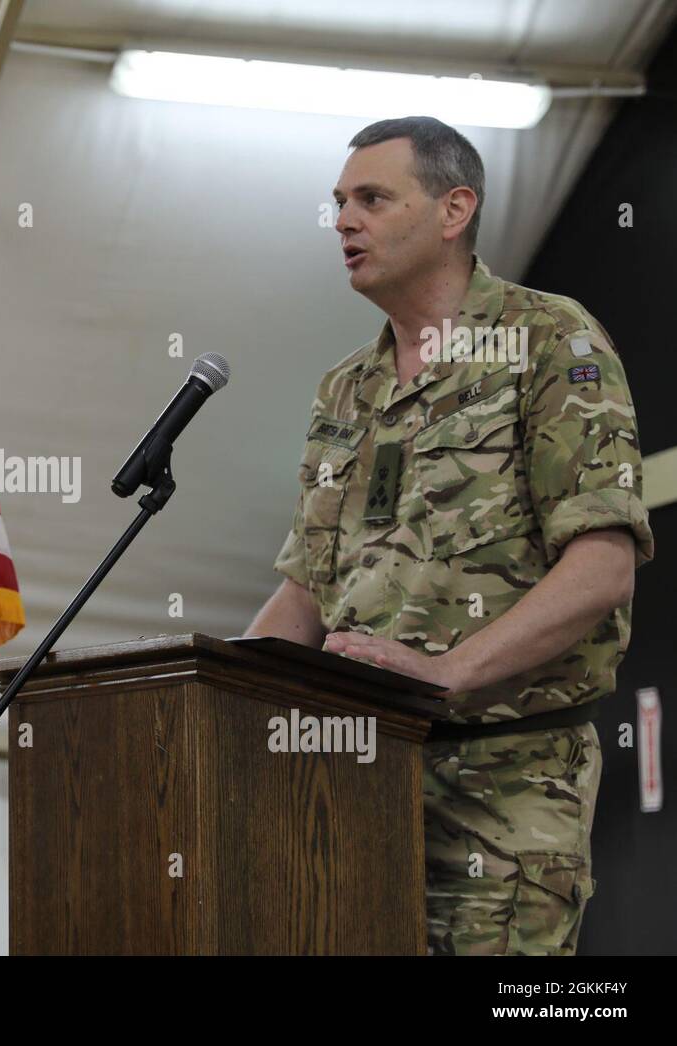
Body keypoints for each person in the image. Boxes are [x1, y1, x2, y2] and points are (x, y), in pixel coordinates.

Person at [245, 115, 655, 955]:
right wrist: (211, 705)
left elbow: (602, 566)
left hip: (505, 789)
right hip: (354, 793)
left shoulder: (549, 340)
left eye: (371, 198)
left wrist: (444, 674)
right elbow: (307, 594)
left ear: (453, 209)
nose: (344, 221)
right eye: (338, 203)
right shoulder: (345, 390)